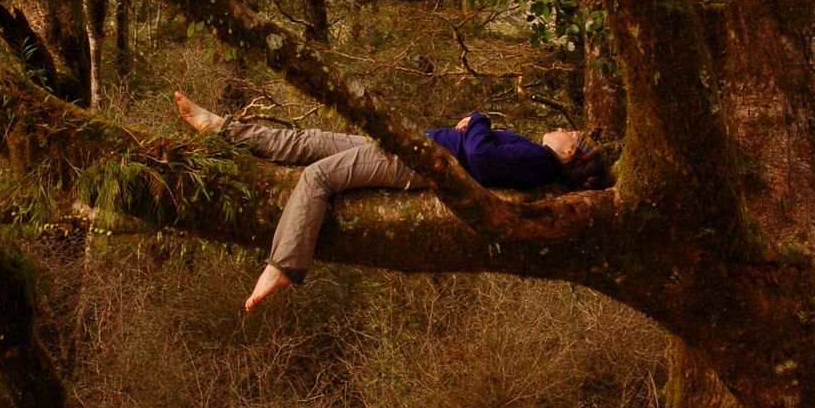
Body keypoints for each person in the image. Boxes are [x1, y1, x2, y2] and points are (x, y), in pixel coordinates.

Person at [174, 92, 609, 311]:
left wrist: (478, 119)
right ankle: (221, 128)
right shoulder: (540, 157)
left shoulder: (540, 160)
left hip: (416, 162)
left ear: (570, 153)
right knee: (308, 141)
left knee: (317, 175)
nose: (565, 130)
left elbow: (480, 157)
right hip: (413, 148)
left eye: (573, 135)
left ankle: (282, 266)